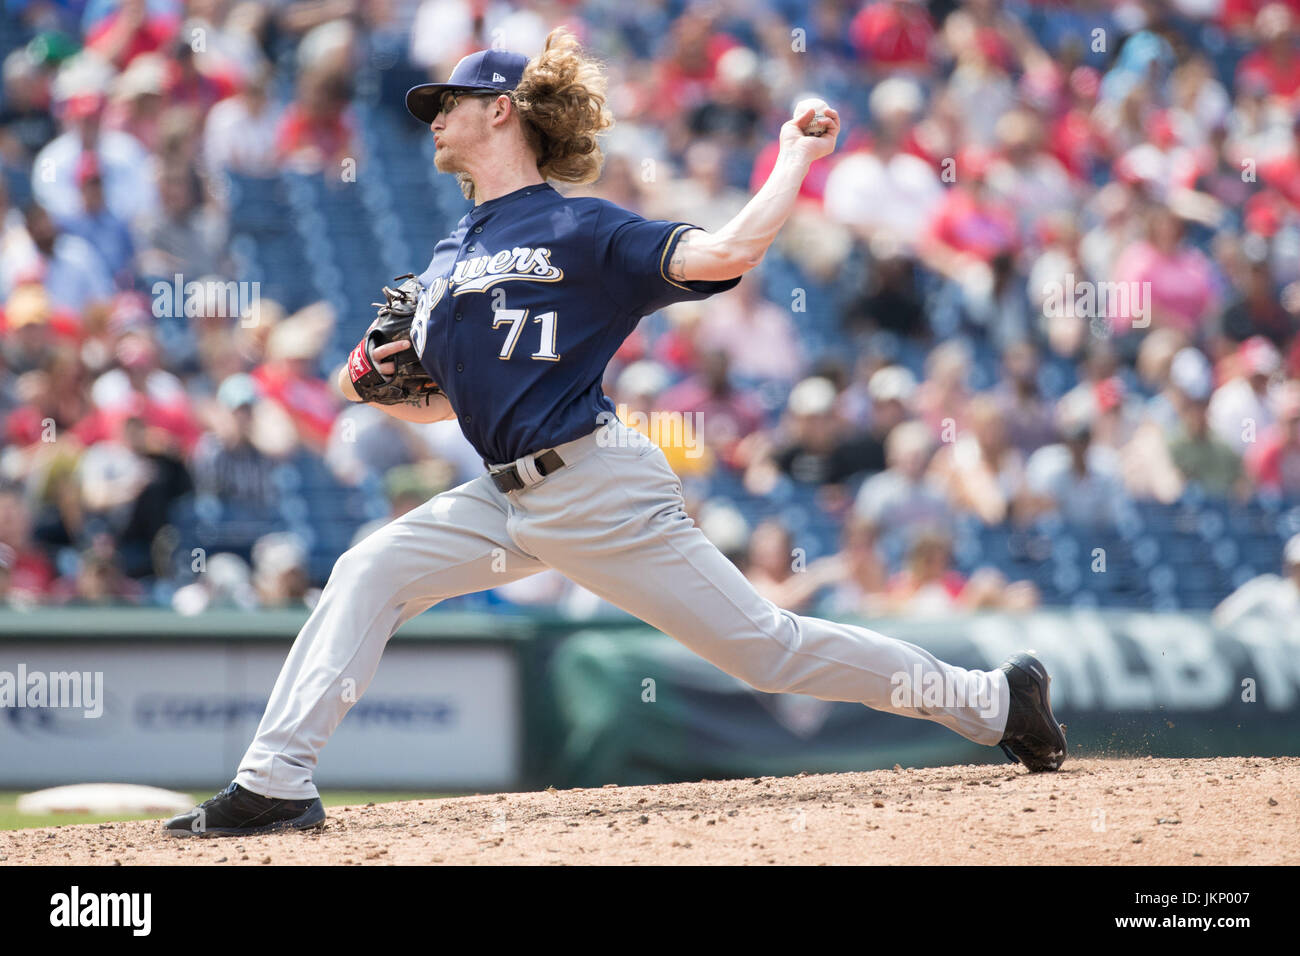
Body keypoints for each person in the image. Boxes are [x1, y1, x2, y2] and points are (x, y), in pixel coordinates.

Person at [165, 30, 1066, 838]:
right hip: (502, 496)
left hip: (597, 489)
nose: (433, 118)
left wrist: (792, 155)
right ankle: (277, 782)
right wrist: (377, 389)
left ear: (501, 110)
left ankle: (995, 702)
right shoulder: (449, 253)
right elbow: (450, 405)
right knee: (369, 570)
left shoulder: (582, 225)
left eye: (449, 104)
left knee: (767, 650)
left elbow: (726, 254)